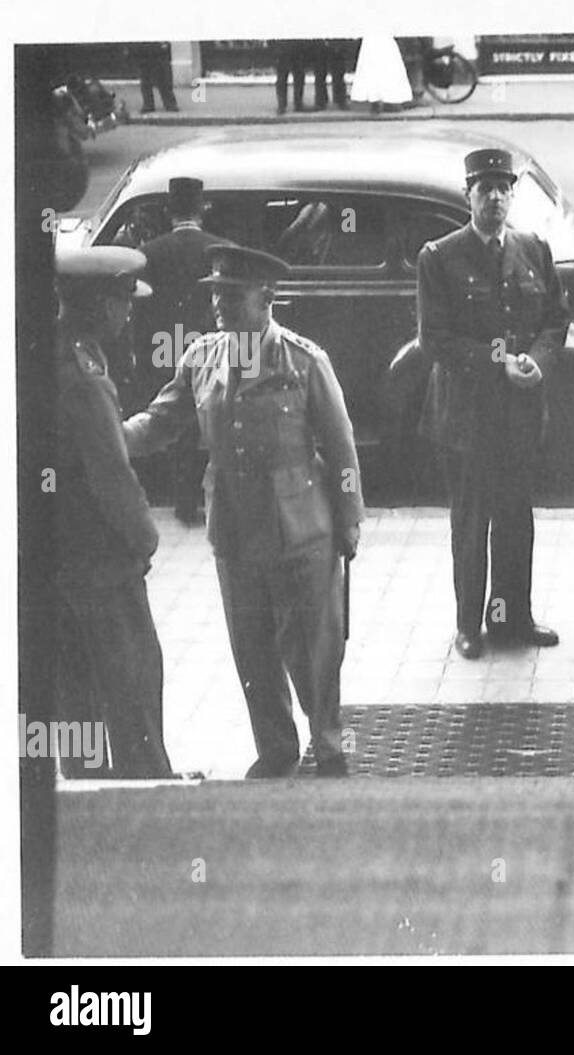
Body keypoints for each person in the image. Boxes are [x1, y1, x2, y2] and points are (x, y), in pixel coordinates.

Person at [123, 245, 364, 779]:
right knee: (252, 650)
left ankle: (328, 745)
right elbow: (162, 421)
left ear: (268, 298)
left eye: (233, 295)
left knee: (313, 649)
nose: (219, 304)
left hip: (301, 528)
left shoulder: (304, 362)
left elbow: (341, 447)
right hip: (234, 529)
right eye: (215, 292)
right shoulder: (202, 357)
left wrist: (349, 520)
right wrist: (110, 438)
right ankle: (276, 747)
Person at [417, 148, 570, 661]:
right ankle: (469, 626)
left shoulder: (533, 249)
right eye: (485, 189)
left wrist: (537, 360)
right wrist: (501, 358)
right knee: (470, 523)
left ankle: (511, 619)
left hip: (519, 415)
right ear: (469, 196)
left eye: (504, 189)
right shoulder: (439, 256)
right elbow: (434, 339)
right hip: (466, 419)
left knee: (515, 519)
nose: (496, 198)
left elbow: (556, 320)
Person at [53, 246, 173, 779]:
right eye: (124, 304)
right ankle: (146, 786)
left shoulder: (44, 354)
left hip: (55, 559)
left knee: (75, 692)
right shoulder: (84, 375)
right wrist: (145, 538)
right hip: (101, 560)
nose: (129, 316)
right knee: (132, 684)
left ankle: (87, 793)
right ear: (101, 307)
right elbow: (110, 475)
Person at [137, 177, 230, 526]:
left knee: (176, 423)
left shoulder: (149, 252)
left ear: (167, 212)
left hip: (166, 345)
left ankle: (184, 502)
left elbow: (143, 310)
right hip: (209, 346)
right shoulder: (220, 248)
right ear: (202, 209)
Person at [351, 34, 414, 112]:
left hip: (383, 39)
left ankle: (388, 101)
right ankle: (376, 100)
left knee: (387, 69)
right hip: (373, 39)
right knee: (374, 68)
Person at [128, 42, 178, 114]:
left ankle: (169, 103)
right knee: (145, 77)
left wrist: (164, 42)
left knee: (162, 76)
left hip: (157, 46)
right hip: (143, 47)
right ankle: (148, 104)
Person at [273, 39, 309, 115]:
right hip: (289, 46)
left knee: (294, 76)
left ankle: (283, 105)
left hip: (288, 46)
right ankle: (294, 104)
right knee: (289, 76)